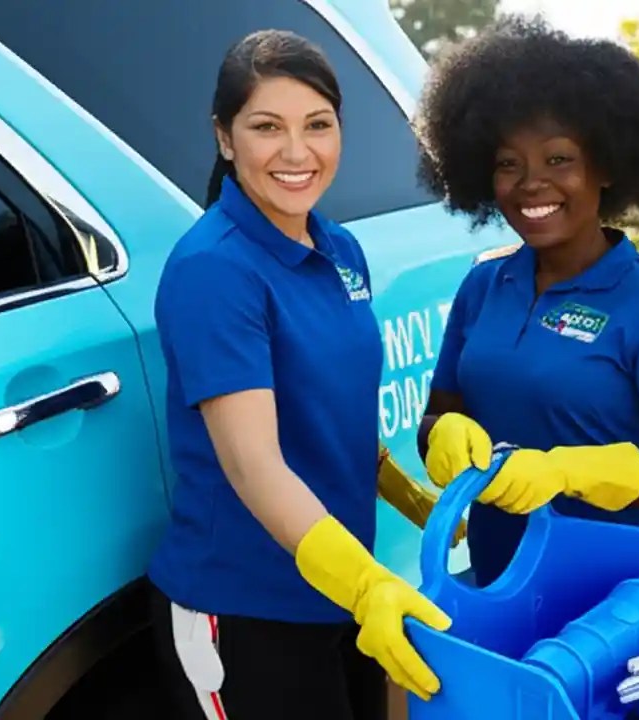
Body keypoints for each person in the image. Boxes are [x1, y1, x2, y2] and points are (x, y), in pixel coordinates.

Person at [145, 29, 452, 720]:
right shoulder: (215, 270)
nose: (296, 152)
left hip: (337, 594)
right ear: (224, 138)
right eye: (266, 127)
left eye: (317, 125)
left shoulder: (338, 247)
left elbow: (329, 413)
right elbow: (254, 465)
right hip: (244, 610)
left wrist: (412, 498)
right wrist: (366, 583)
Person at [412, 15, 639, 589]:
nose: (531, 183)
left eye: (558, 159)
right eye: (508, 164)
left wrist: (574, 471)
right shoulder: (483, 286)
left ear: (607, 166)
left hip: (615, 599)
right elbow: (439, 418)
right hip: (501, 587)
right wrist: (440, 436)